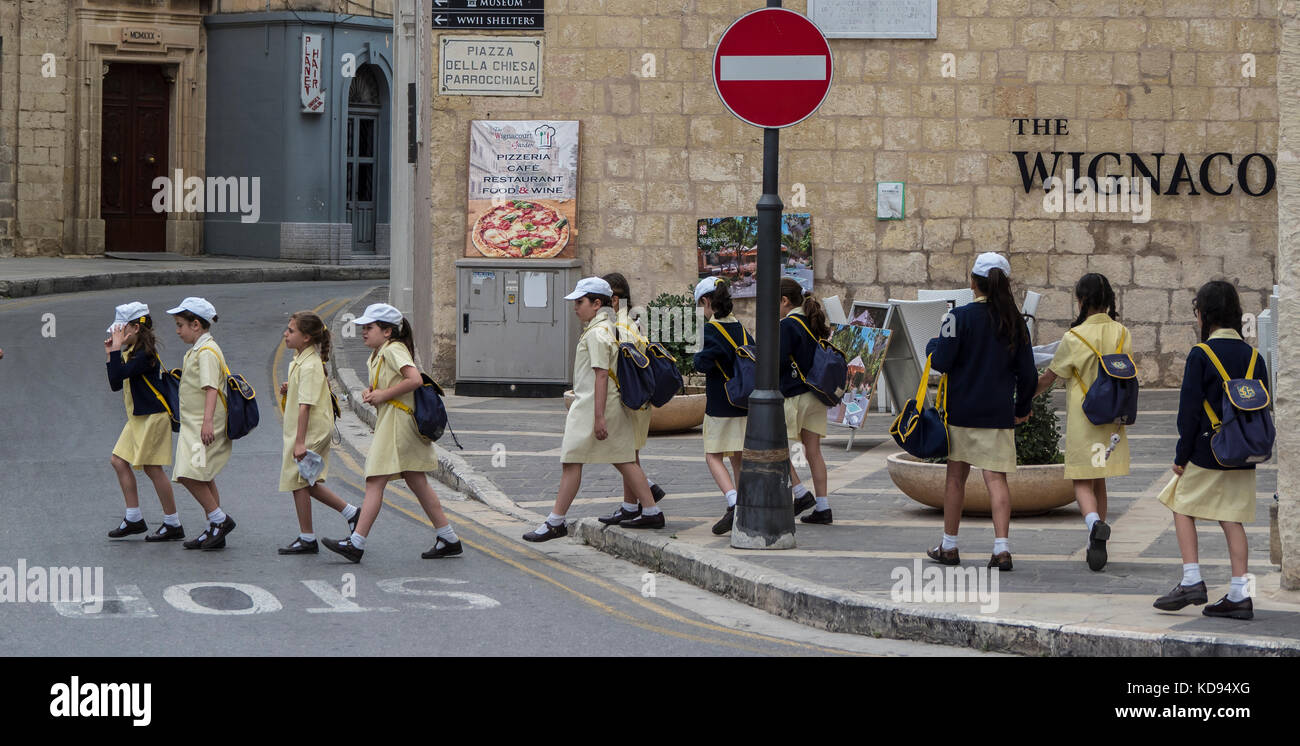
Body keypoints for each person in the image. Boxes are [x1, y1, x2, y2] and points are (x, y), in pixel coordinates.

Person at [1152, 281, 1268, 620]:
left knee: (1179, 503)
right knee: (1232, 520)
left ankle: (1191, 579)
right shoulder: (1254, 357)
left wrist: (1180, 456)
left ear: (1205, 314)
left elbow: (1188, 412)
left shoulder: (1201, 354)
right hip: (1243, 451)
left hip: (1207, 449)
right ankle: (1239, 594)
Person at [524, 277, 662, 542]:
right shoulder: (604, 328)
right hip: (599, 405)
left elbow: (600, 376)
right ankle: (651, 509)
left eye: (580, 302)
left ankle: (556, 521)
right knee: (622, 458)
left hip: (593, 406)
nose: (576, 307)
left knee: (574, 459)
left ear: (596, 303)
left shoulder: (598, 333)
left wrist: (599, 417)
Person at [323, 303, 463, 562]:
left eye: (370, 327)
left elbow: (415, 379)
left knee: (375, 480)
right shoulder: (379, 352)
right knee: (416, 481)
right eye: (363, 327)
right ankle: (449, 537)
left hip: (399, 424)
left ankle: (356, 542)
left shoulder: (394, 349)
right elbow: (393, 383)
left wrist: (383, 395)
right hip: (395, 421)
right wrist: (372, 392)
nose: (364, 332)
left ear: (387, 331)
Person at [924, 253, 1036, 571]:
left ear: (973, 282)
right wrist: (1023, 407)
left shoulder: (956, 317)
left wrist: (932, 346)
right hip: (998, 413)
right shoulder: (1017, 322)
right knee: (996, 480)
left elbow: (941, 361)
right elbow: (1027, 373)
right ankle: (1002, 549)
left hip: (961, 412)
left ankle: (949, 545)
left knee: (955, 479)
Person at [1033, 273, 1131, 571]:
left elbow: (1051, 377)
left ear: (1082, 301)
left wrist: (1025, 397)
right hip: (1112, 418)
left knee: (1080, 480)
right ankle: (1095, 542)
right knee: (1098, 477)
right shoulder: (1122, 332)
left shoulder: (1073, 338)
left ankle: (1093, 524)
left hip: (1084, 419)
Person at [276, 312, 361, 554]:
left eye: (291, 331)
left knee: (300, 480)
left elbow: (306, 405)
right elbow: (301, 394)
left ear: (305, 338)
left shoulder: (311, 364)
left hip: (310, 430)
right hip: (303, 428)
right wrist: (288, 387)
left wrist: (300, 442)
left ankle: (307, 537)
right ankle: (351, 513)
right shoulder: (300, 359)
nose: (285, 333)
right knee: (303, 481)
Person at [595, 272, 668, 525]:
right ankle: (630, 506)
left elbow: (621, 367)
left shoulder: (621, 327)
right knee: (629, 453)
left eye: (599, 300)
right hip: (637, 401)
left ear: (614, 300)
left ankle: (648, 501)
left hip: (629, 401)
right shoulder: (629, 322)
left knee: (623, 454)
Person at [104, 302, 181, 541]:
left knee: (152, 468)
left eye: (120, 330)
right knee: (118, 460)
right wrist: (112, 354)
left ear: (135, 328)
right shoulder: (131, 352)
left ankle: (172, 522)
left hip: (153, 417)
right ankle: (134, 517)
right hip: (138, 417)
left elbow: (118, 377)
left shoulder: (145, 354)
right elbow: (116, 384)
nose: (116, 335)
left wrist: (115, 350)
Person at [168, 297, 237, 550]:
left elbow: (210, 389)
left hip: (202, 424)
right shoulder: (199, 349)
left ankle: (220, 520)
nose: (177, 330)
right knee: (204, 475)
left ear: (196, 324)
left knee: (188, 473)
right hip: (194, 423)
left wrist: (207, 422)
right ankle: (214, 529)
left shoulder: (206, 352)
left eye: (180, 325)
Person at [692, 277, 748, 535]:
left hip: (720, 404)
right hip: (743, 402)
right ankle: (745, 505)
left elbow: (701, 364)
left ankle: (733, 501)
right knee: (738, 455)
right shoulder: (742, 329)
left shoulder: (710, 331)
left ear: (706, 301)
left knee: (712, 455)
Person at [778, 277, 832, 524]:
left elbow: (777, 361)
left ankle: (800, 493)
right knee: (814, 452)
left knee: (773, 448)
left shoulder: (788, 325)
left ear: (784, 301)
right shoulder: (812, 321)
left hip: (794, 396)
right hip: (816, 395)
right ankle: (823, 507)